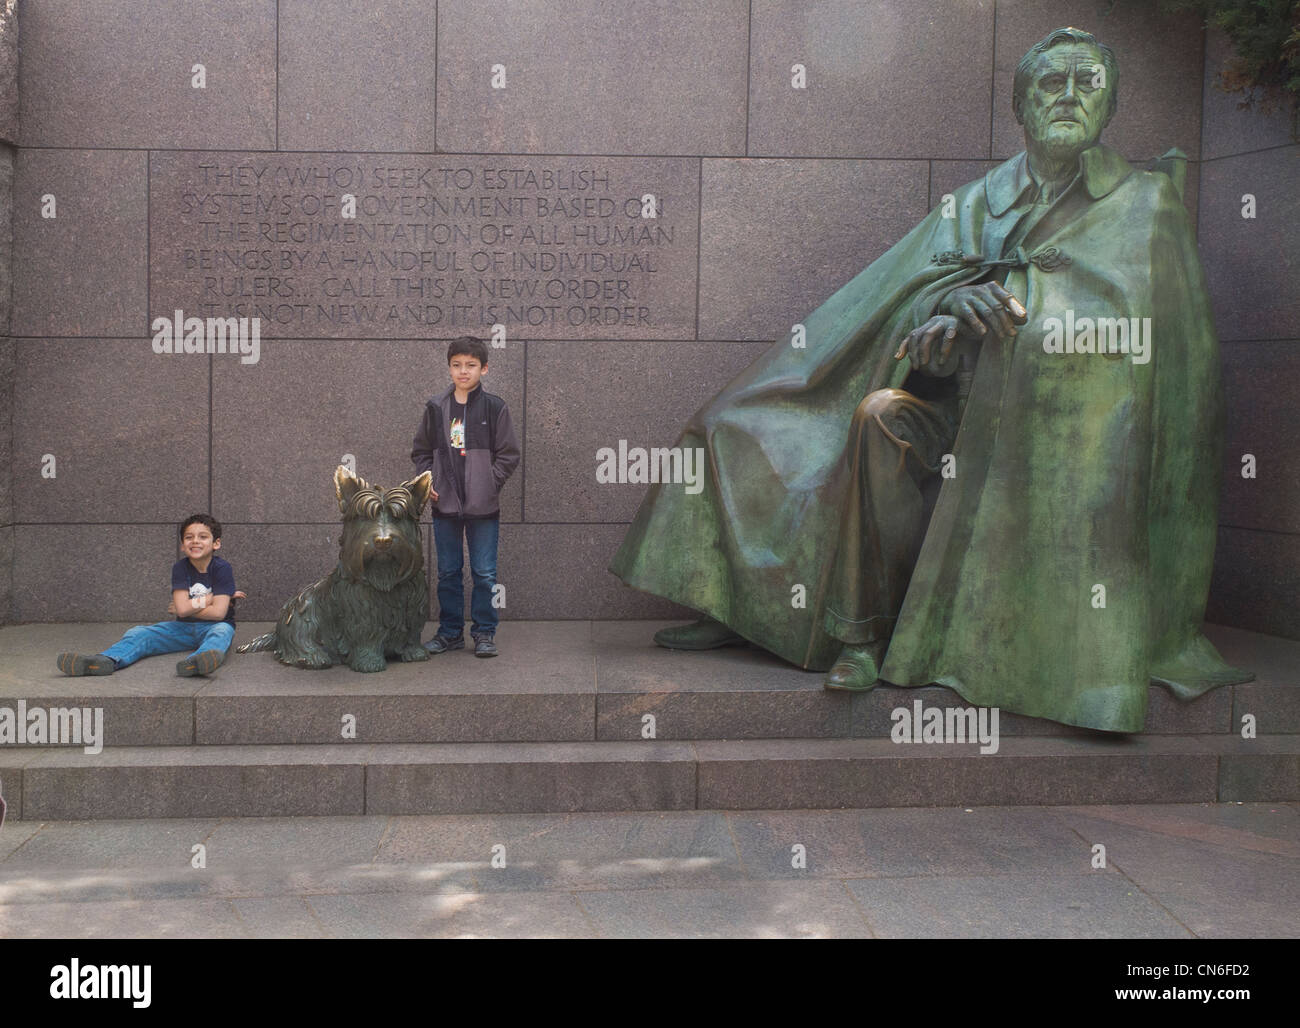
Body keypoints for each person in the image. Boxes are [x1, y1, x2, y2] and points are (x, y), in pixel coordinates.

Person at [610, 27, 1251, 732]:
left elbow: (1156, 356)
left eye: (1087, 82)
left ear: (1111, 103)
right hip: (952, 413)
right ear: (1021, 104)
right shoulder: (976, 201)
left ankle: (917, 640)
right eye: (1050, 83)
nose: (1069, 96)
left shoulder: (1144, 204)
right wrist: (941, 314)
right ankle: (812, 621)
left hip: (1052, 435)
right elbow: (902, 296)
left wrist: (1017, 316)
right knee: (801, 416)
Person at [411, 335, 520, 658]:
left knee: (485, 573)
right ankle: (449, 633)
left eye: (471, 365)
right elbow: (421, 451)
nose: (463, 371)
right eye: (457, 365)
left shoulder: (494, 407)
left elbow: (509, 455)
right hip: (444, 503)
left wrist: (488, 482)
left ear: (484, 369)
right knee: (448, 571)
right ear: (449, 368)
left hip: (482, 506)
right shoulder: (435, 407)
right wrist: (426, 478)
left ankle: (484, 633)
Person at [56, 513, 241, 677]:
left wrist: (186, 607)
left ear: (216, 543)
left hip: (215, 626)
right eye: (189, 537)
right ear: (183, 545)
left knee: (221, 633)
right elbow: (184, 611)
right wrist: (209, 599)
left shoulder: (222, 568)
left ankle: (197, 663)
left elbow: (217, 614)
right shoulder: (180, 568)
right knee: (139, 633)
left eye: (203, 537)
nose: (195, 541)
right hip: (182, 628)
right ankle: (106, 660)